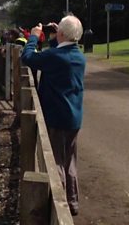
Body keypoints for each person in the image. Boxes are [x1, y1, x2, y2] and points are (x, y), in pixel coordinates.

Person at [20, 15, 86, 217]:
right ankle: (72, 202)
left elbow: (28, 57)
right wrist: (57, 36)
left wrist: (33, 37)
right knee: (70, 163)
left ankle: (60, 208)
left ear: (61, 34)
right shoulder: (78, 56)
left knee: (55, 162)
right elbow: (56, 52)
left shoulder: (56, 57)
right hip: (73, 118)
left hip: (56, 117)